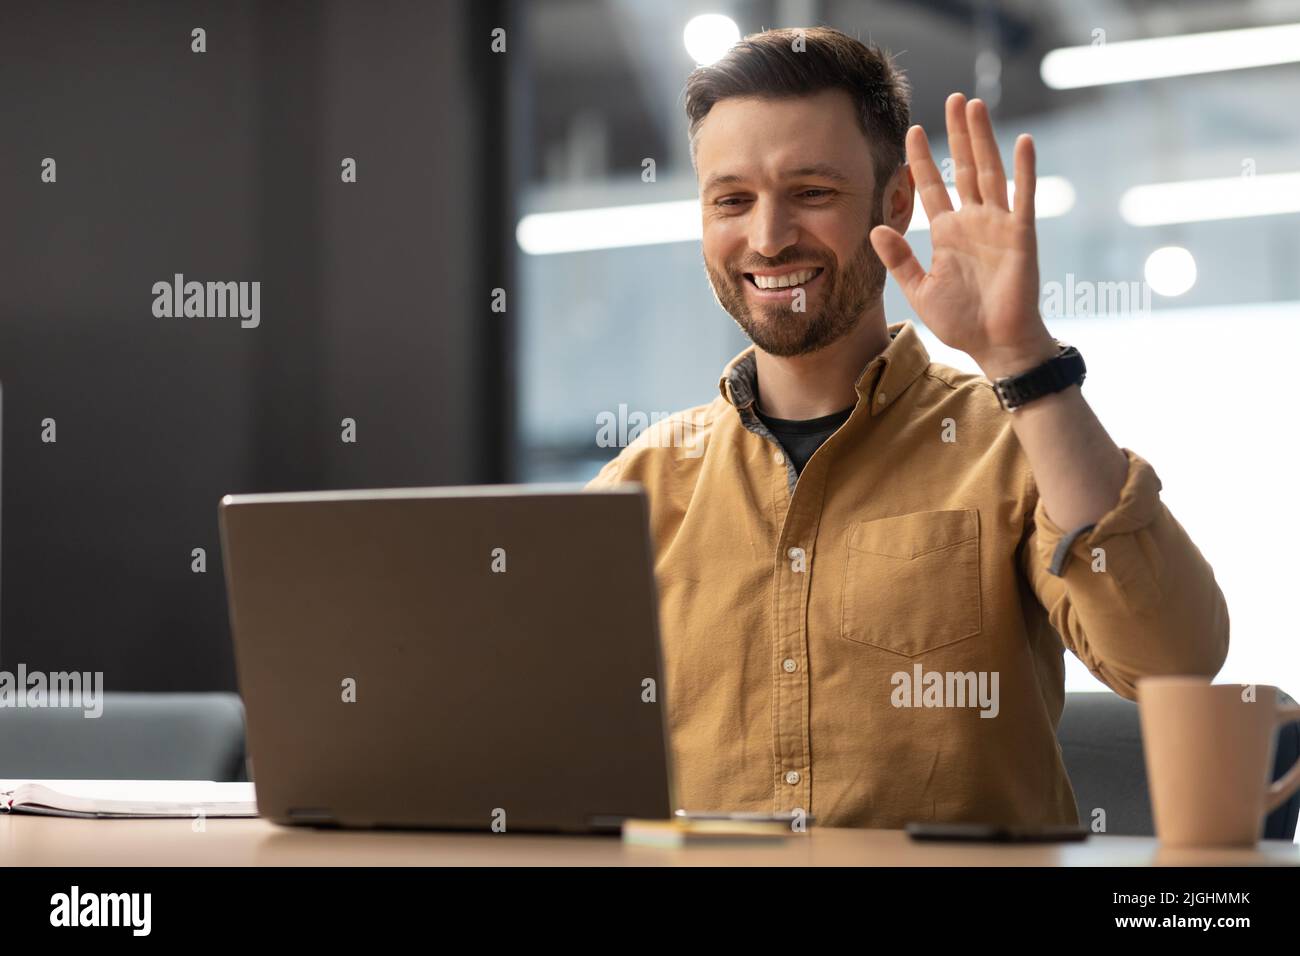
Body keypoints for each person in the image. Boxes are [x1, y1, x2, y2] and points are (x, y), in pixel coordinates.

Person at [587, 26, 1228, 828]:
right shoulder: (638, 487)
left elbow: (1173, 662)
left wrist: (1020, 355)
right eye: (732, 199)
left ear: (894, 206)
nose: (767, 236)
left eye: (812, 193)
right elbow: (548, 744)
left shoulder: (1014, 444)